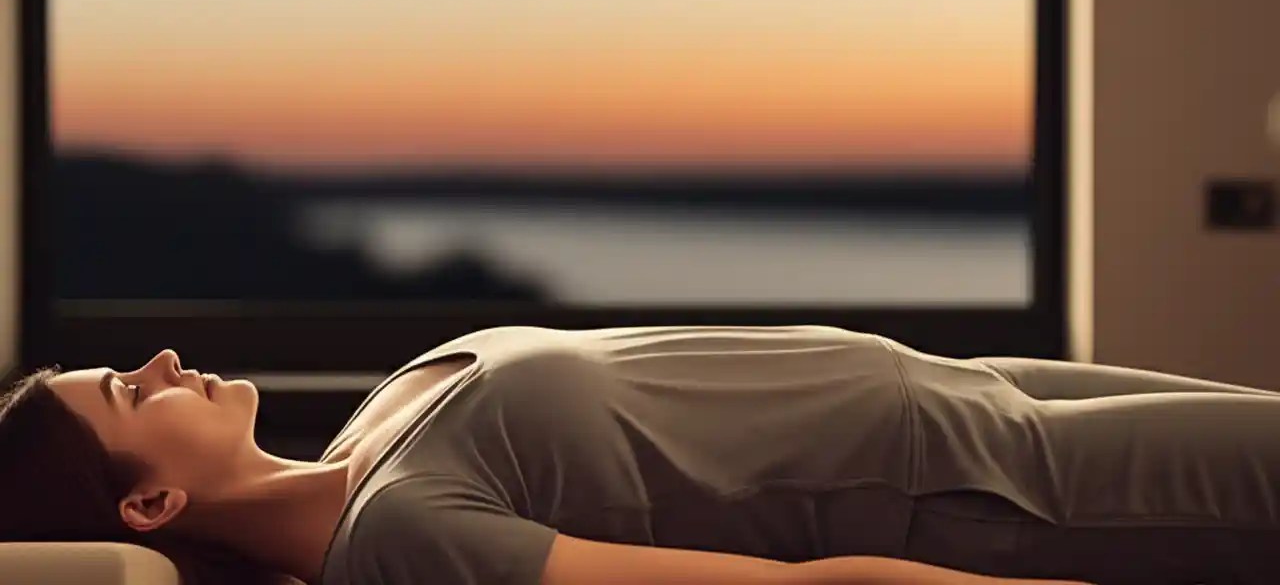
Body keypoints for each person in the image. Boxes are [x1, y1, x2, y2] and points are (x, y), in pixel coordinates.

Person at [2, 324, 1277, 585]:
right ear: (152, 499)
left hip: (973, 397)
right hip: (992, 492)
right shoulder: (399, 540)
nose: (162, 362)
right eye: (129, 389)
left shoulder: (370, 428)